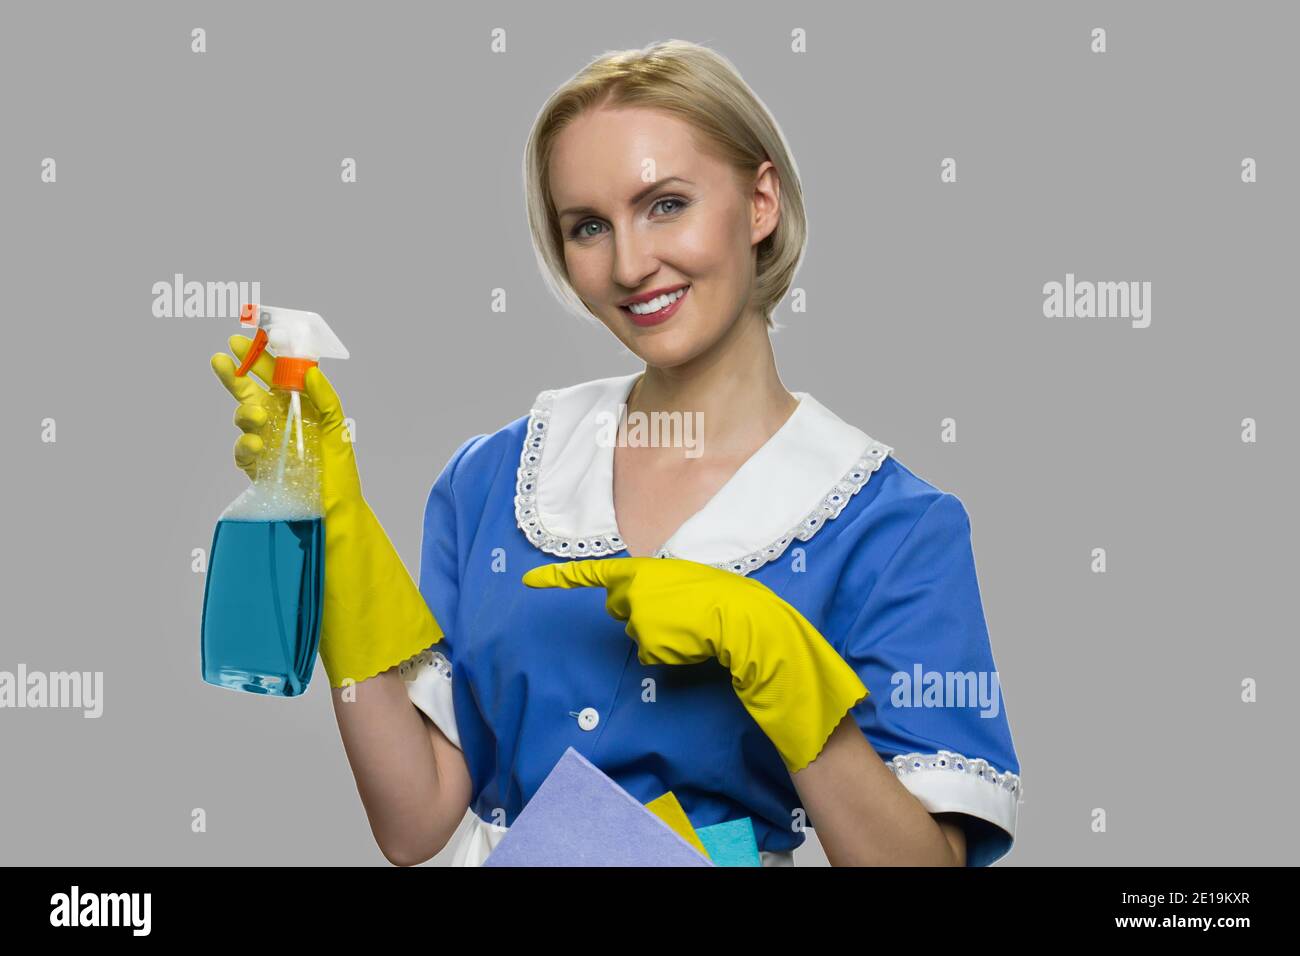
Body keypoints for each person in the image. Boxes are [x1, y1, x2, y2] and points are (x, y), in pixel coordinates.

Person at [212, 39, 1021, 867]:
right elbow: (415, 821)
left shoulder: (894, 530)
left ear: (760, 201)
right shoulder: (493, 481)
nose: (632, 265)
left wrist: (790, 671)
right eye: (588, 227)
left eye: (666, 204)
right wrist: (330, 515)